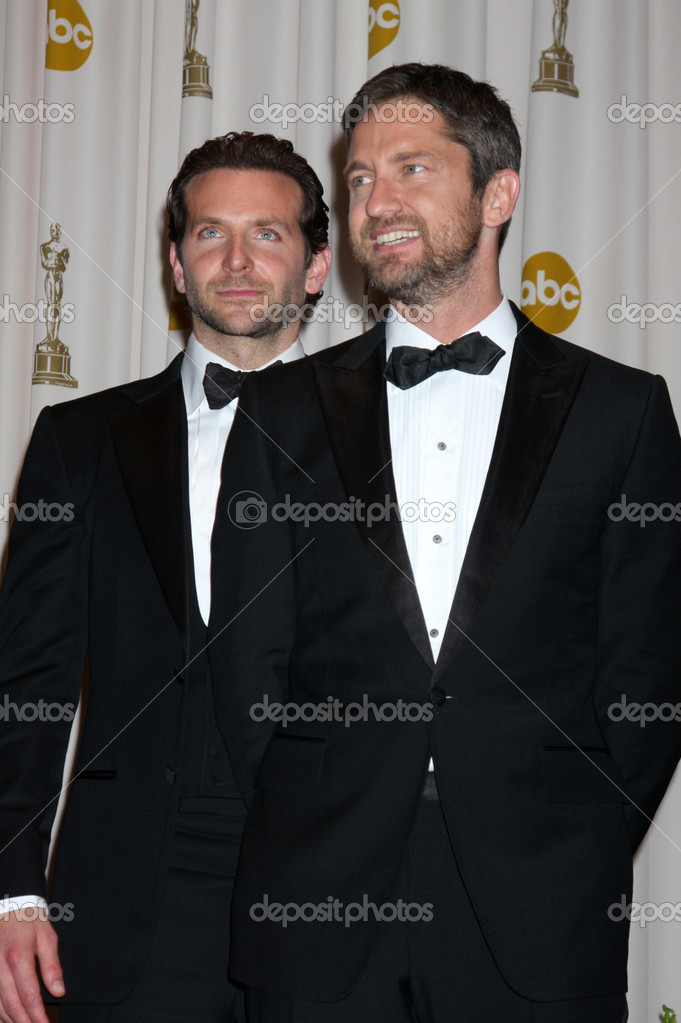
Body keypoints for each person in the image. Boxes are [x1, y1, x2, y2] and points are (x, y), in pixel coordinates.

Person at [208, 64, 681, 1023]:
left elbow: (650, 675)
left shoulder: (622, 413)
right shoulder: (278, 412)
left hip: (540, 910)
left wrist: (571, 835)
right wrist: (320, 810)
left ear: (499, 191)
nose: (375, 201)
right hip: (317, 903)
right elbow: (246, 670)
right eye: (359, 178)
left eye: (412, 168)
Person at [0, 130, 330, 1023]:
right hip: (131, 900)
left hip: (340, 903)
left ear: (316, 267)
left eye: (267, 234)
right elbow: (27, 685)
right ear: (177, 265)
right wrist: (13, 891)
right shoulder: (81, 442)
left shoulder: (389, 445)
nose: (235, 259)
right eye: (209, 233)